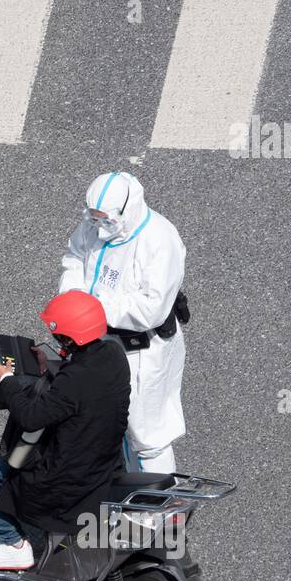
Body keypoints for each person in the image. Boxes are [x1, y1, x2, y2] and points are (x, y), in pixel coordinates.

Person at [0, 291, 130, 571]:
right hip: (101, 472)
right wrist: (47, 367)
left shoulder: (73, 380)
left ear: (67, 338)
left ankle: (11, 544)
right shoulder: (114, 356)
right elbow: (78, 389)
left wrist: (7, 380)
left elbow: (30, 417)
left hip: (62, 485)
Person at [57, 171, 187, 475]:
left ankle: (155, 513)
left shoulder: (160, 241)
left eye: (106, 221)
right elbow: (74, 255)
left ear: (127, 211)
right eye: (94, 220)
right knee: (112, 423)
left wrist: (91, 308)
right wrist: (73, 293)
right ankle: (128, 492)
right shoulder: (95, 225)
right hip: (98, 342)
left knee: (147, 433)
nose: (99, 229)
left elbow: (152, 308)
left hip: (141, 351)